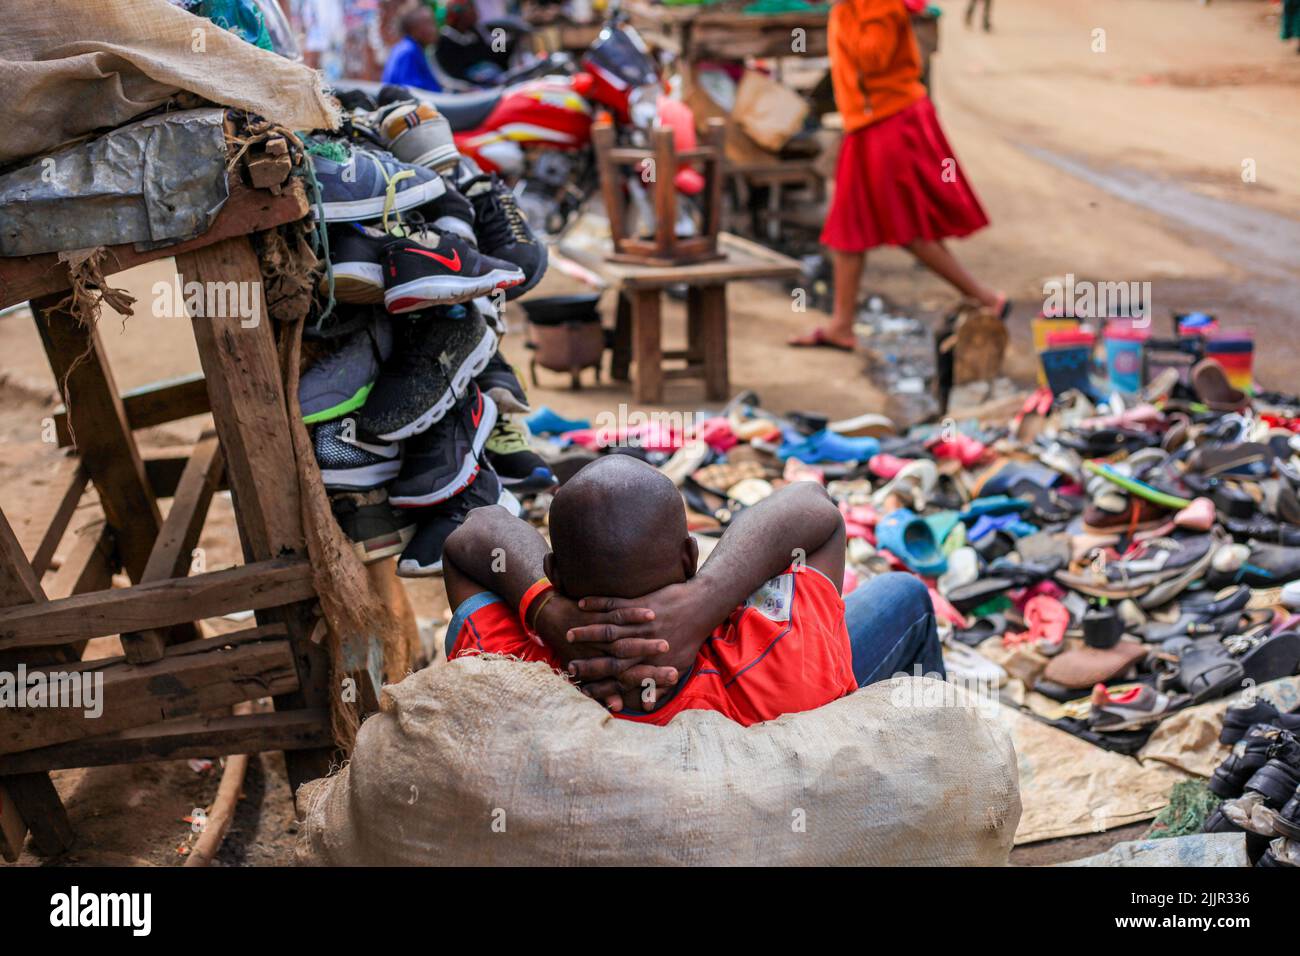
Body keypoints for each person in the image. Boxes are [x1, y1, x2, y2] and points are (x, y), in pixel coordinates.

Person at [440, 456, 943, 723]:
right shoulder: (782, 666)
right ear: (690, 557)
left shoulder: (507, 670)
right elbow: (816, 509)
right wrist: (706, 600)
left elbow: (474, 532)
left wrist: (547, 610)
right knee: (907, 595)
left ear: (553, 570)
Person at [790, 0, 1006, 353]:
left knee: (906, 226)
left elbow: (872, 57)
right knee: (849, 226)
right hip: (868, 121)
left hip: (890, 121)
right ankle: (842, 326)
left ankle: (984, 298)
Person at [381, 5, 442, 92]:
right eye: (430, 23)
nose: (435, 28)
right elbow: (412, 93)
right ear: (414, 29)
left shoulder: (411, 48)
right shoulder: (408, 52)